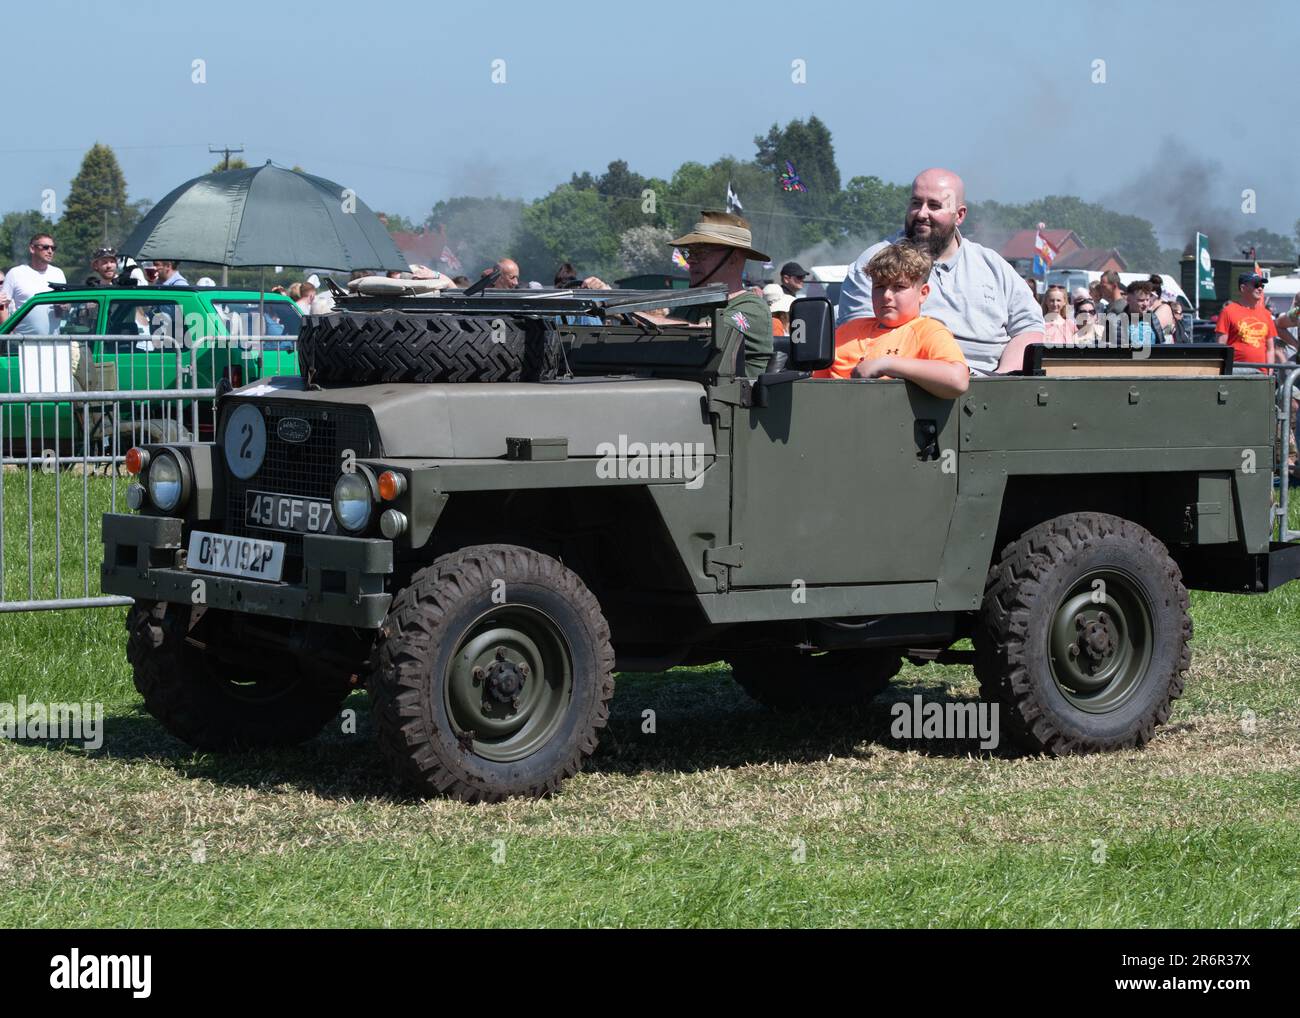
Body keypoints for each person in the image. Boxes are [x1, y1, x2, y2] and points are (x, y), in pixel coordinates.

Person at [838, 167, 1044, 374]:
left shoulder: (993, 266)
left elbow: (1029, 328)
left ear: (960, 215)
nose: (922, 213)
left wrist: (1002, 379)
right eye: (916, 203)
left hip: (991, 386)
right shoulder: (877, 261)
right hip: (906, 388)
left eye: (934, 206)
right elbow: (861, 338)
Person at [813, 242, 968, 398]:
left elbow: (958, 380)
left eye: (899, 286)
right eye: (879, 286)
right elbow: (813, 388)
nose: (886, 295)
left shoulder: (928, 332)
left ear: (923, 293)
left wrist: (887, 364)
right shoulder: (847, 331)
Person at [645, 210, 772, 379]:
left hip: (732, 403)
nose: (690, 260)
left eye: (701, 253)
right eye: (690, 252)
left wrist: (628, 311)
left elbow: (703, 335)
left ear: (734, 258)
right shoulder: (692, 306)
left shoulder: (753, 309)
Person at [0, 233, 67, 332]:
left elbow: (66, 305)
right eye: (45, 247)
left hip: (54, 342)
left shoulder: (58, 273)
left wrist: (65, 306)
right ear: (32, 249)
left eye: (53, 248)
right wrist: (8, 332)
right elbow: (2, 306)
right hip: (23, 342)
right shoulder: (15, 273)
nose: (50, 251)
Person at [1216, 272, 1277, 372]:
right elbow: (1221, 346)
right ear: (1243, 288)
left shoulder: (1266, 314)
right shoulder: (1228, 311)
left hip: (1261, 374)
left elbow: (1270, 348)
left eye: (1262, 285)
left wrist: (1270, 373)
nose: (1260, 288)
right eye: (1256, 285)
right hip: (1236, 372)